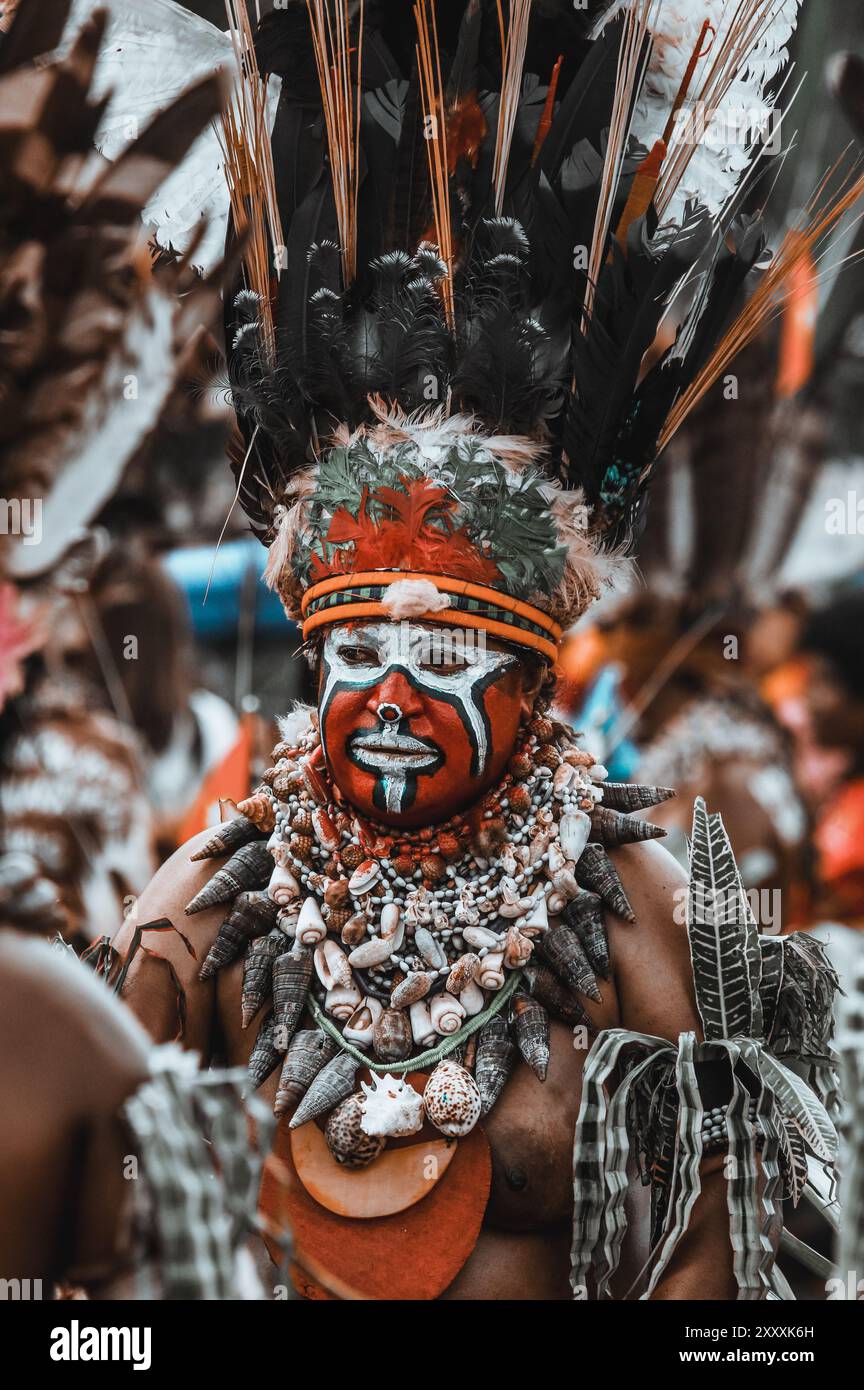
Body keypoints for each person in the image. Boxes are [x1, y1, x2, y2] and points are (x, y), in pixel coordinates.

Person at [112, 0, 841, 1300]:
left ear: (534, 675)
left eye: (444, 653)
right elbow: (93, 1277)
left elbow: (740, 1292)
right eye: (356, 652)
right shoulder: (200, 915)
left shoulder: (655, 927)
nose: (391, 694)